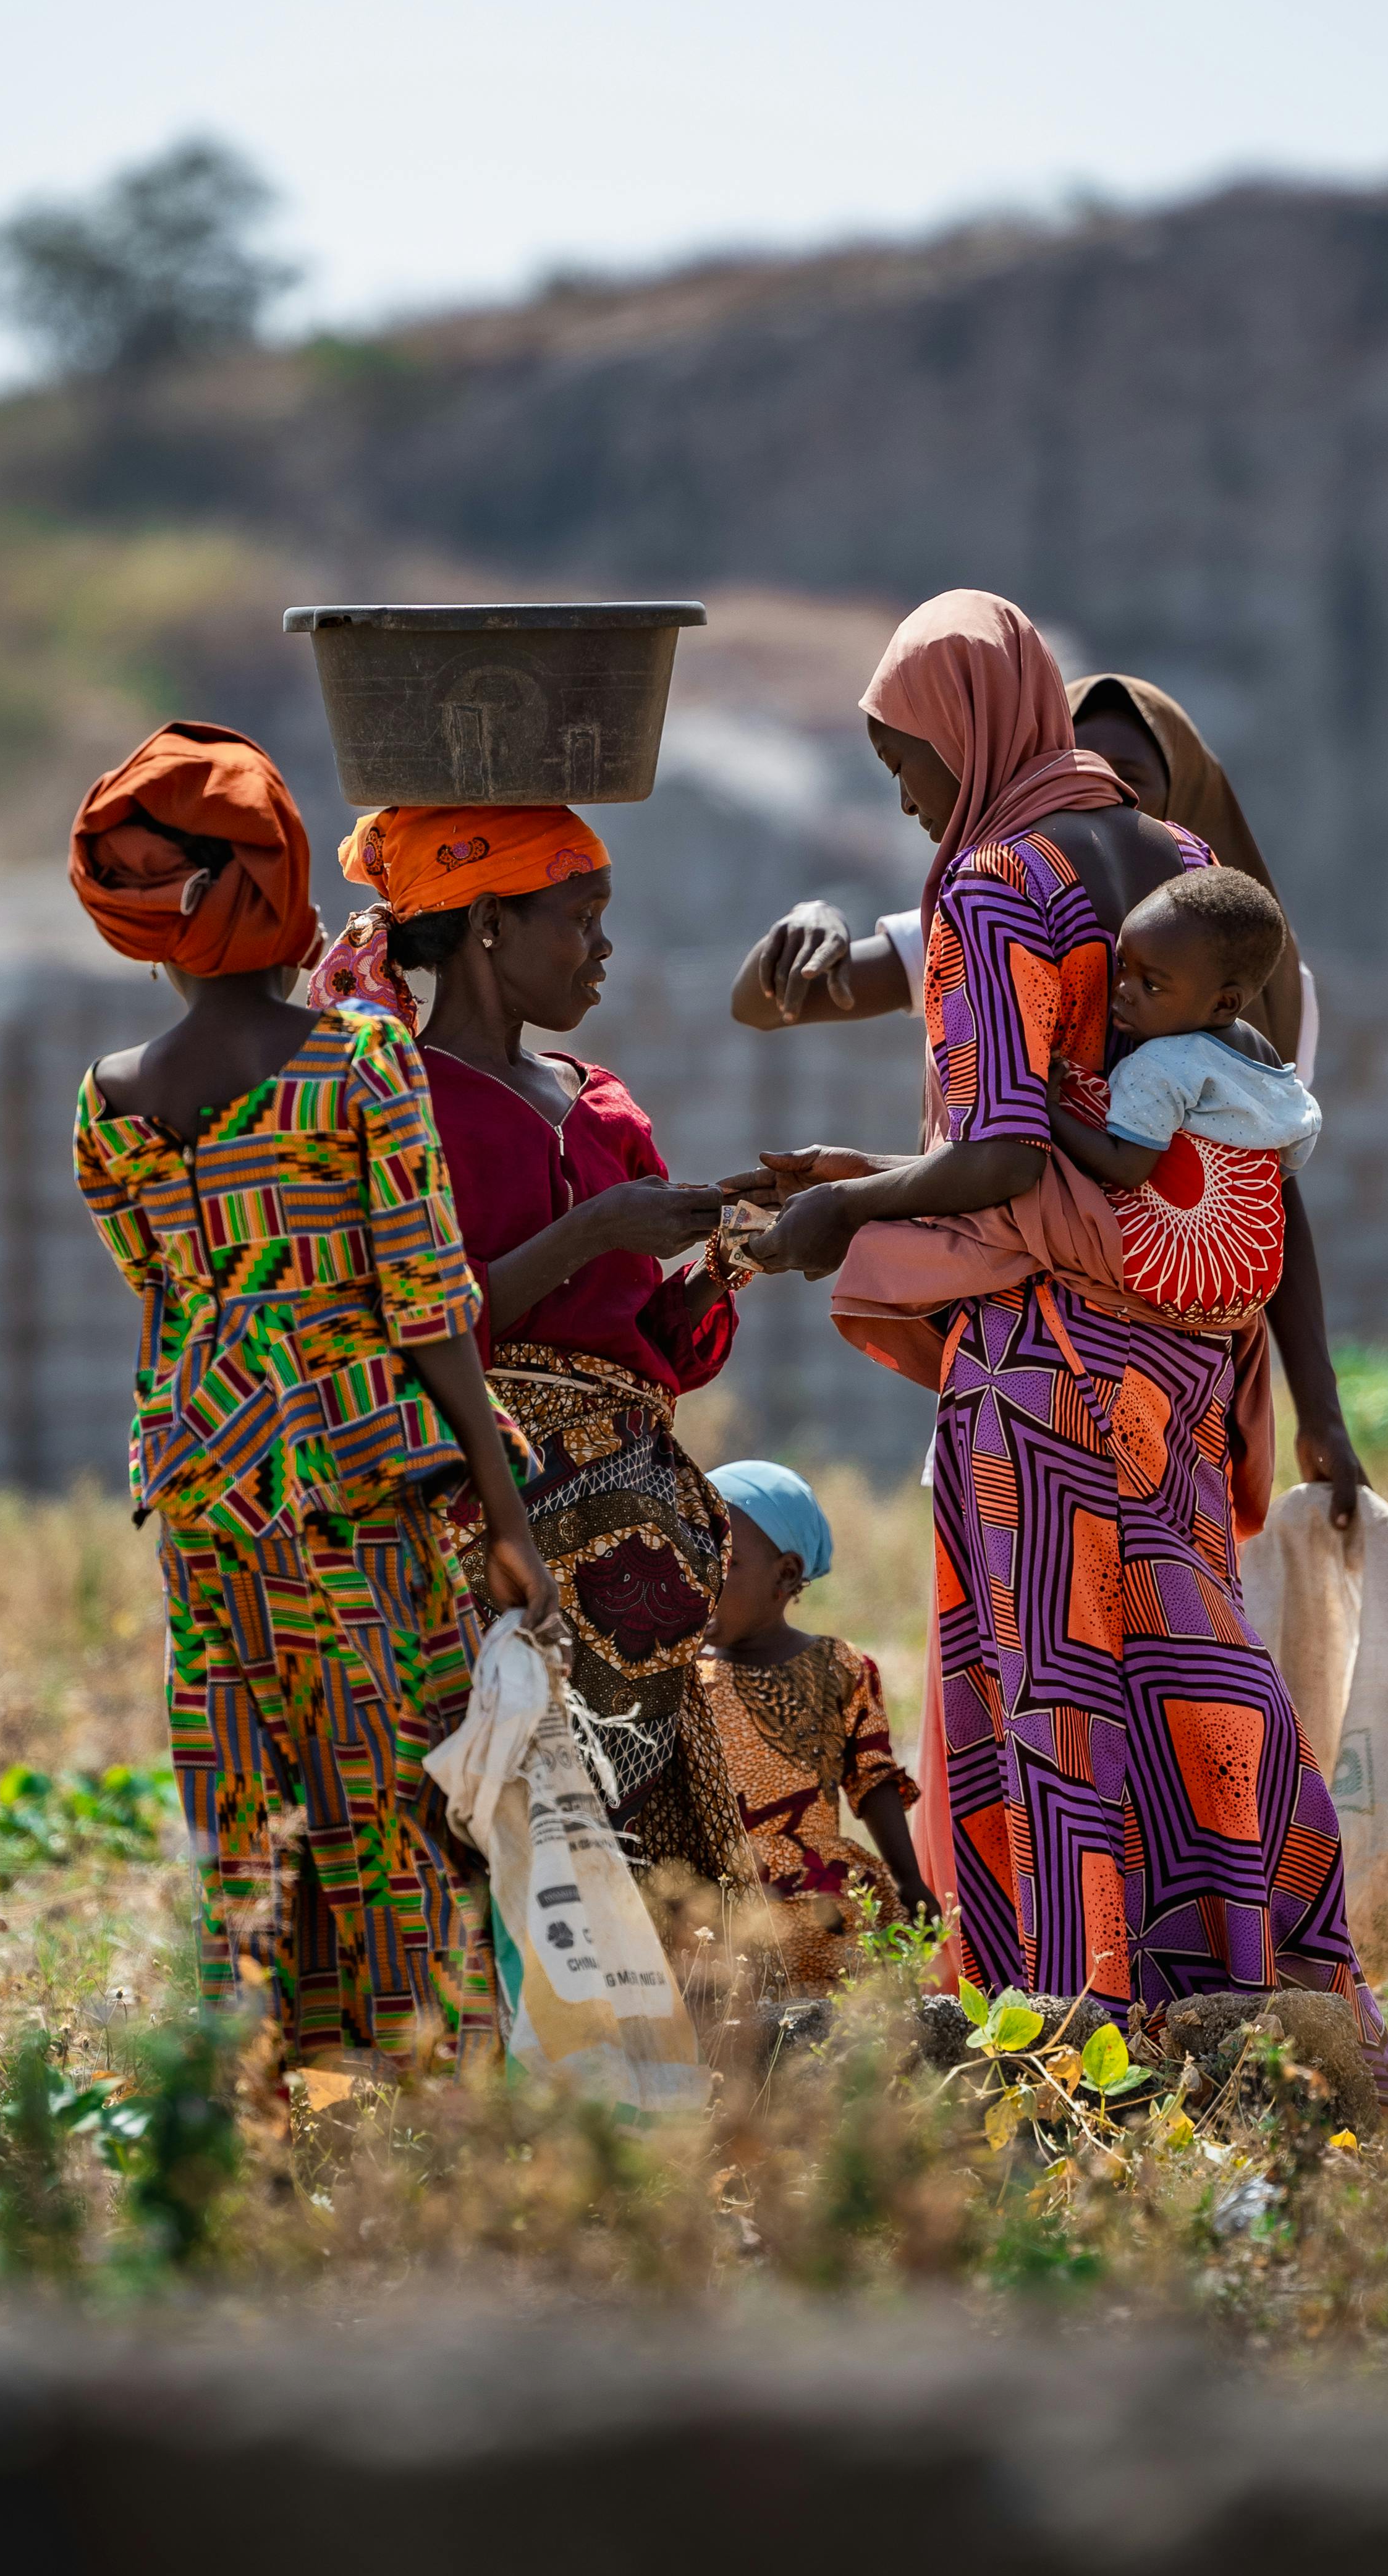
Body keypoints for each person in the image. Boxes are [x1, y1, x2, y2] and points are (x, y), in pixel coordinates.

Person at [742, 593, 1388, 2104]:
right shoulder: (1182, 865)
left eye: (902, 752)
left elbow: (997, 1153)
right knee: (1193, 1663)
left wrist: (842, 1210)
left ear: (969, 723)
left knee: (1049, 1689)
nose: (902, 789)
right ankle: (1260, 1979)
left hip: (1038, 1365)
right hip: (1174, 1357)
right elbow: (1185, 1147)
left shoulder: (992, 883)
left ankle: (1070, 2023)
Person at [67, 719, 557, 2069]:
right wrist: (505, 1512)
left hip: (203, 1486)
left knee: (237, 1788)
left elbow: (161, 1290)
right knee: (391, 1784)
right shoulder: (356, 1061)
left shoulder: (106, 1103)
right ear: (278, 880)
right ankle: (434, 2090)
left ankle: (252, 2081)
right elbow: (427, 1299)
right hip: (352, 1481)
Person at [730, 659, 1366, 1522]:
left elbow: (1260, 1190)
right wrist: (815, 914)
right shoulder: (1005, 910)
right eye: (1080, 777)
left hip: (1191, 1359)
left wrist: (1317, 1405)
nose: (1104, 810)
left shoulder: (1258, 988)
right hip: (1035, 1359)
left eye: (1132, 787)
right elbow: (770, 1004)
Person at [321, 805, 753, 1896]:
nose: (603, 948)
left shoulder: (601, 1104)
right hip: (493, 1537)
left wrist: (736, 1254)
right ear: (485, 929)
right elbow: (415, 1324)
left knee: (645, 1843)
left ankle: (666, 2058)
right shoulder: (400, 1105)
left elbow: (654, 1353)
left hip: (640, 1555)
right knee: (509, 1817)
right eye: (581, 918)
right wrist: (594, 1231)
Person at [1046, 866, 1322, 1327]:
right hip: (1248, 1280)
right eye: (1121, 965)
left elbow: (1126, 1167)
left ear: (1223, 1003)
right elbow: (1296, 1146)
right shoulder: (1261, 1052)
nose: (1122, 989)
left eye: (1150, 985)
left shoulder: (1158, 1065)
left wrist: (1050, 1111)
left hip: (1174, 1272)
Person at [699, 1459, 934, 1995]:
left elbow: (873, 1779)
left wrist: (908, 1880)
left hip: (823, 1903)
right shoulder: (682, 1675)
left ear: (785, 1573)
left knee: (838, 2028)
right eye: (694, 1557)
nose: (702, 1578)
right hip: (721, 1905)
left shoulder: (841, 1669)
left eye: (725, 1562)